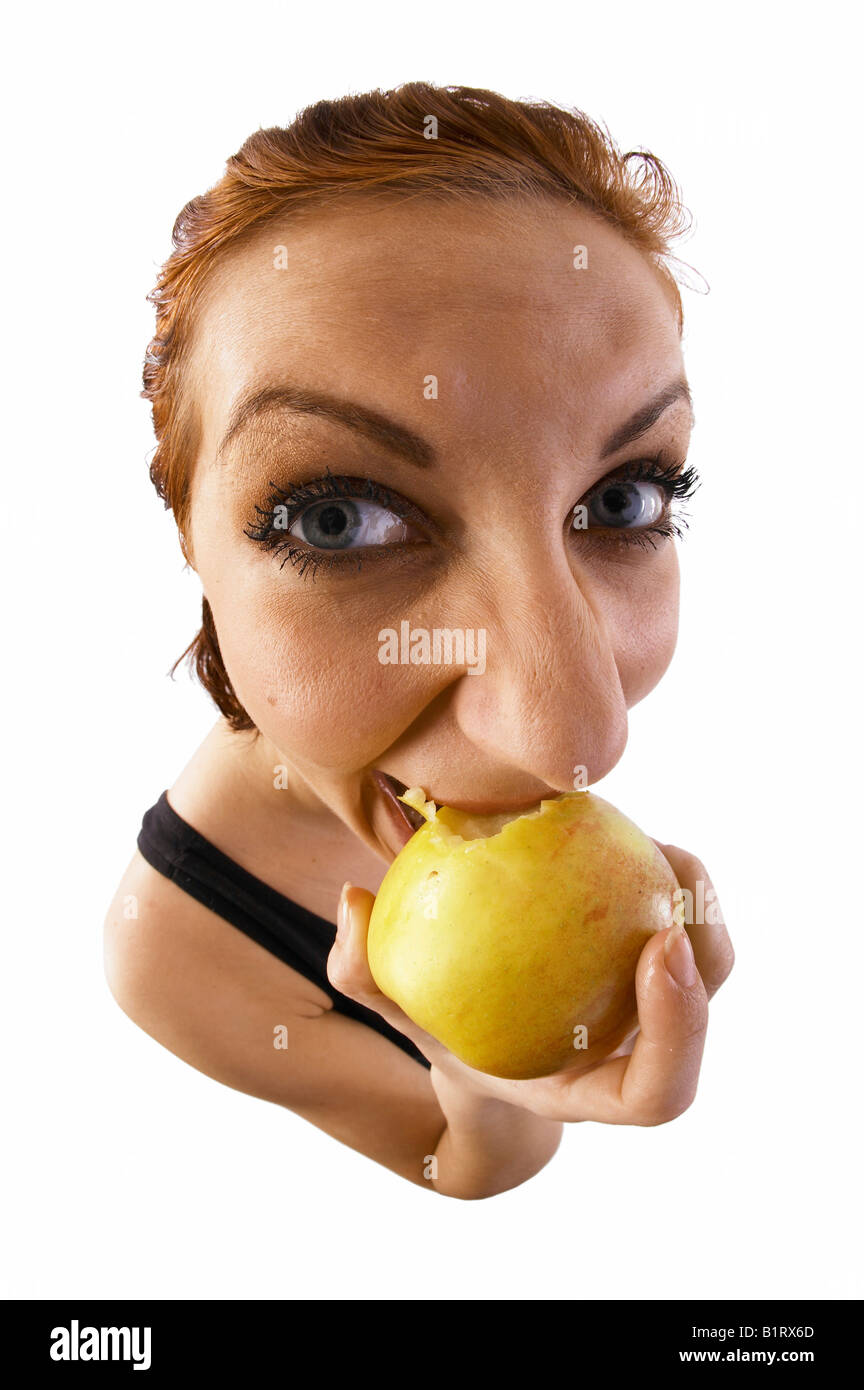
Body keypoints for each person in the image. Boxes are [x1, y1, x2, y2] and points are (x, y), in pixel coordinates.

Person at [104, 82, 734, 1200]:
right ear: (185, 537)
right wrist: (484, 1086)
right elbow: (451, 1164)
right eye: (340, 518)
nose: (578, 730)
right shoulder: (180, 946)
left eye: (628, 499)